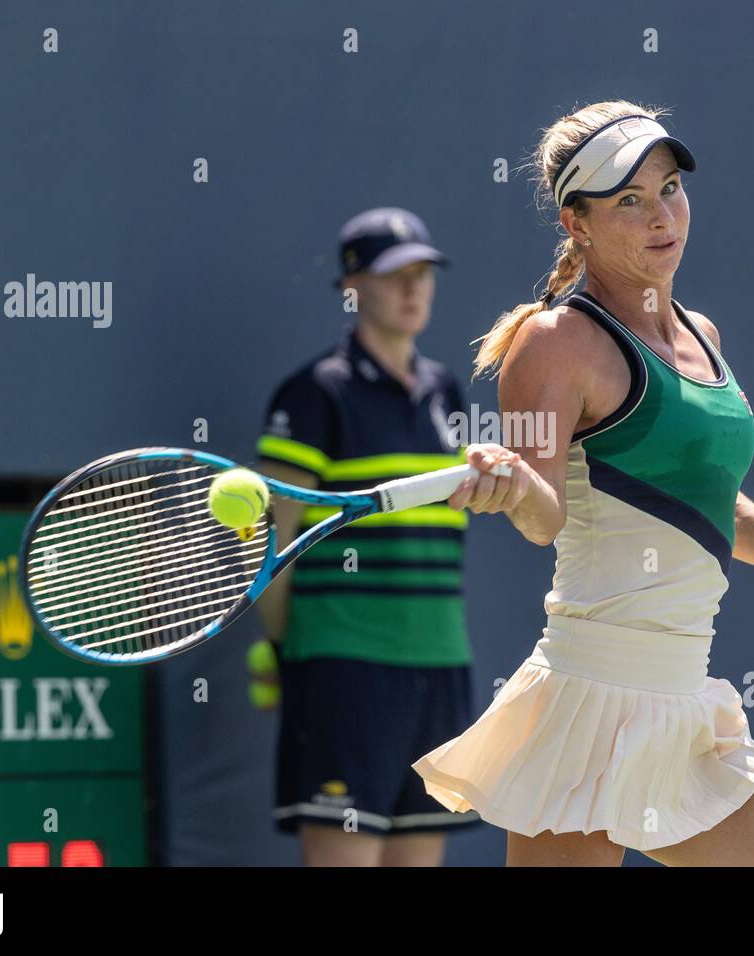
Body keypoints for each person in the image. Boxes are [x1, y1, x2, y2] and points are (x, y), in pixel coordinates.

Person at [411, 100, 754, 866]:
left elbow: (702, 500)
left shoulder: (700, 333)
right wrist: (514, 485)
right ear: (576, 223)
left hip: (685, 702)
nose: (661, 215)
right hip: (588, 699)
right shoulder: (552, 346)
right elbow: (545, 516)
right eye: (628, 200)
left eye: (670, 187)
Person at [254, 207, 482, 866]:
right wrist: (286, 651)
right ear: (353, 289)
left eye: (423, 274)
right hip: (343, 672)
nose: (415, 290)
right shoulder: (314, 393)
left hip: (439, 670)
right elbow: (269, 547)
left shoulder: (446, 392)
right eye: (394, 276)